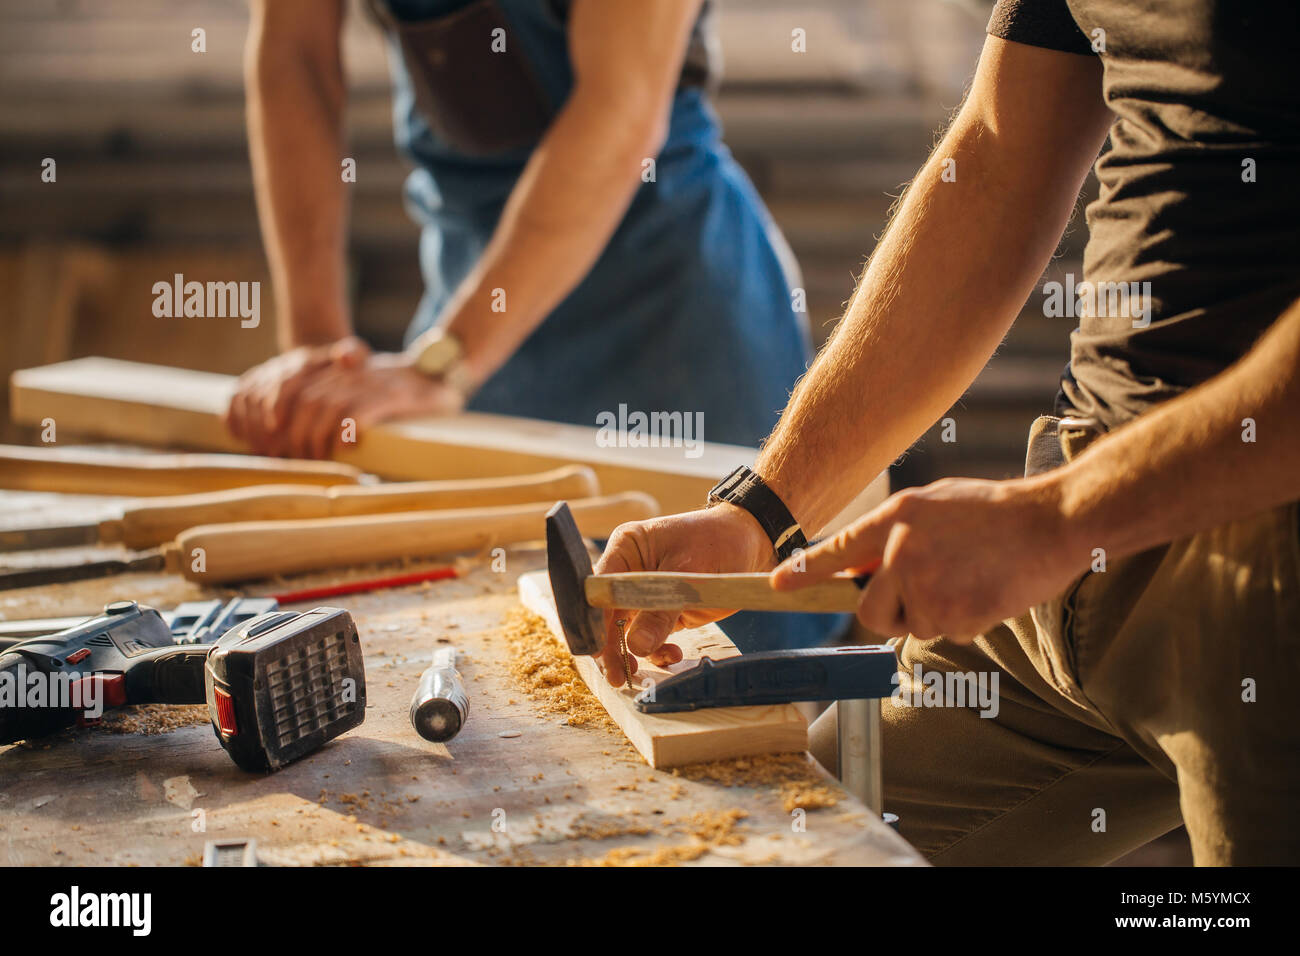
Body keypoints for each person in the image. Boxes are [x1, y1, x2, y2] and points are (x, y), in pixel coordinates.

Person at [591, 0, 1300, 865]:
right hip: (1075, 540)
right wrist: (764, 515)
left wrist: (1059, 518)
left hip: (1264, 565)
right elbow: (999, 156)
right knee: (792, 847)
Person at [225, 0, 838, 651]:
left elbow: (620, 106)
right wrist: (323, 355)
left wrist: (450, 357)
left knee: (741, 651)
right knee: (490, 640)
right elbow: (296, 57)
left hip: (671, 306)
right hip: (472, 292)